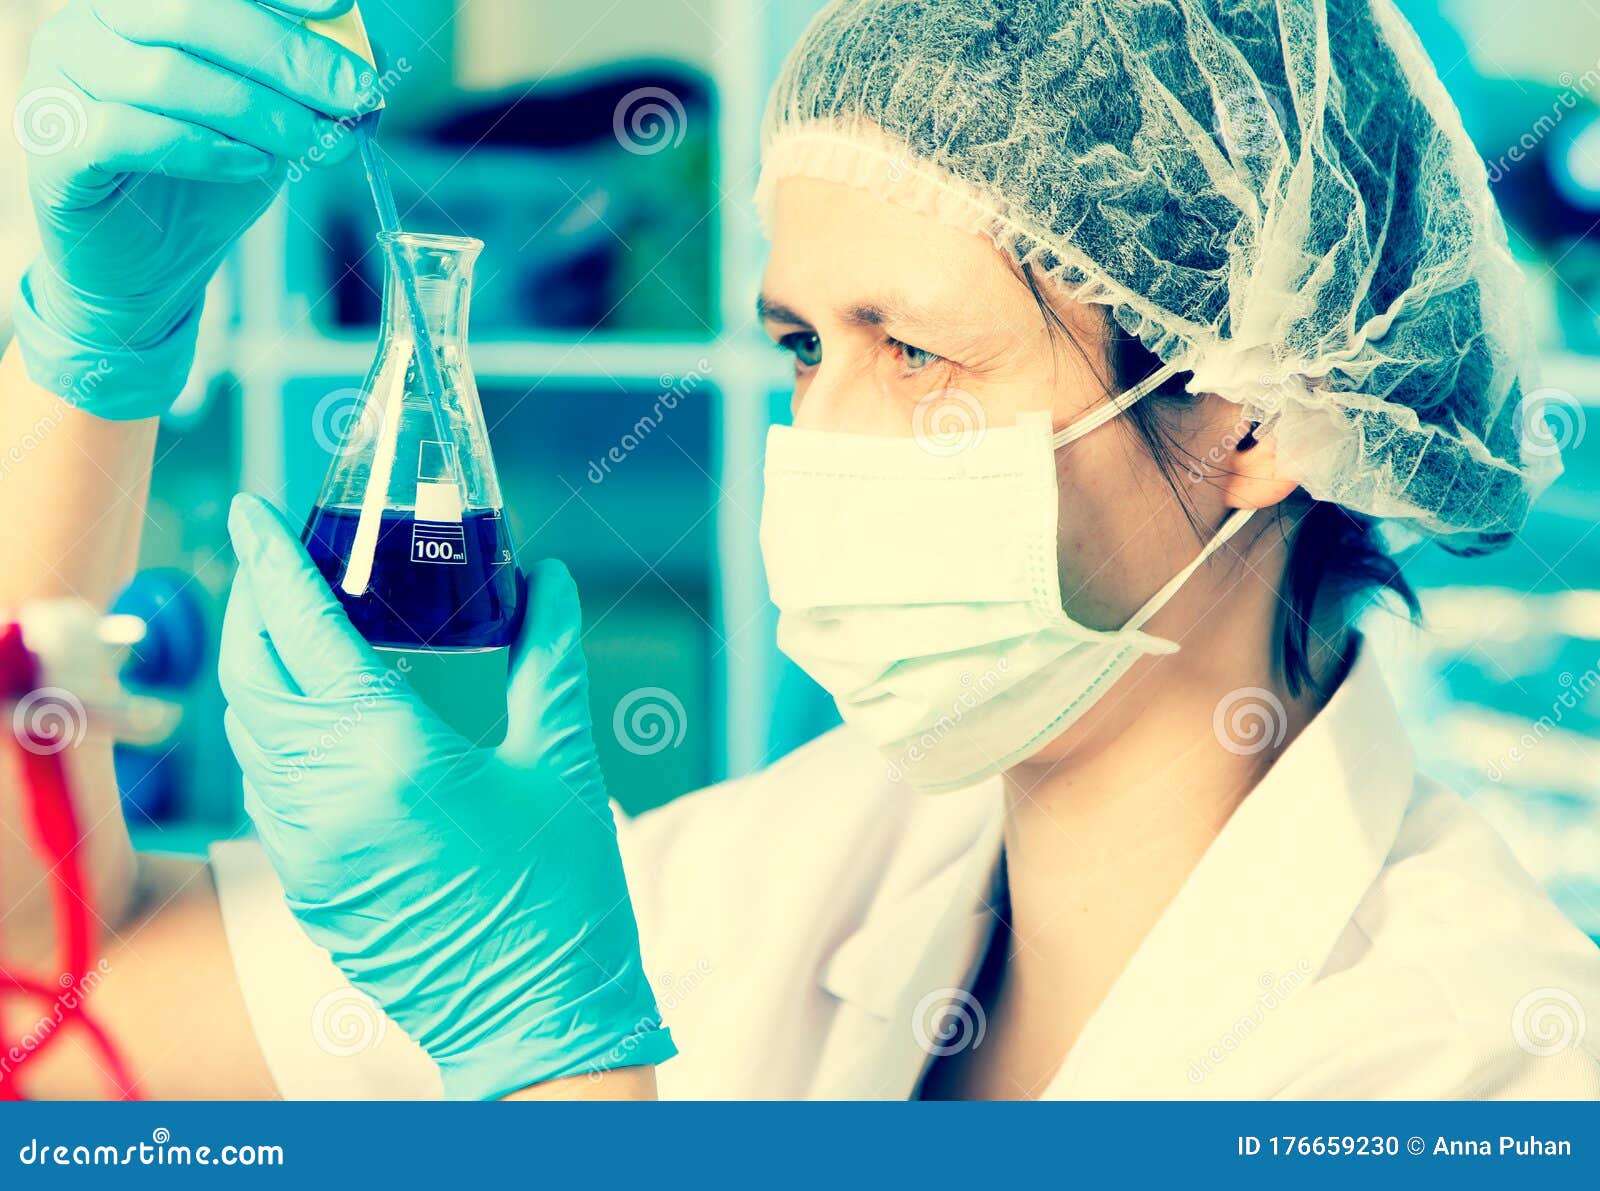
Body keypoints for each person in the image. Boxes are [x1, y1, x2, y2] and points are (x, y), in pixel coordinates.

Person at [2, 0, 1597, 1100]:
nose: (824, 440)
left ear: (1250, 417)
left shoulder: (1471, 1065)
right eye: (797, 348)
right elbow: (50, 1001)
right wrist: (90, 364)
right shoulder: (817, 867)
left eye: (909, 353)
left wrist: (558, 1061)